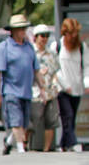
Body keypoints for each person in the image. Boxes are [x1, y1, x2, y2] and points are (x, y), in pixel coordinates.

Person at [0, 13, 37, 154]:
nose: (23, 31)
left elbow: (36, 70)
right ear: (12, 31)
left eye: (24, 28)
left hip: (26, 91)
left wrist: (42, 88)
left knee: (23, 124)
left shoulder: (29, 47)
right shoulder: (4, 47)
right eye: (20, 29)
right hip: (11, 91)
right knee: (16, 121)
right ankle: (20, 149)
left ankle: (9, 142)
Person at [56, 17, 86, 151]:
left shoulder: (81, 47)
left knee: (72, 116)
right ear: (65, 33)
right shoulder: (57, 46)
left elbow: (86, 66)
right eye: (71, 33)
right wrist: (64, 85)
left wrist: (86, 82)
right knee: (67, 115)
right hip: (63, 89)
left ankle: (64, 144)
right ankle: (71, 143)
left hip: (77, 87)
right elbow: (55, 68)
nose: (74, 37)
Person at [30, 24, 61, 151]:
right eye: (42, 36)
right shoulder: (31, 53)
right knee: (34, 121)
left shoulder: (52, 54)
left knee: (51, 121)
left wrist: (56, 86)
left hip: (50, 92)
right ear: (36, 37)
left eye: (47, 36)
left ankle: (46, 149)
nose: (44, 39)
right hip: (35, 92)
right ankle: (28, 147)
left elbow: (56, 72)